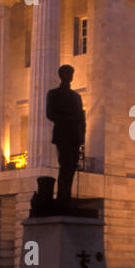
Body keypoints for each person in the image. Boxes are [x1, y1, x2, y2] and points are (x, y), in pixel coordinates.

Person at [45, 64, 85, 206]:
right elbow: (50, 114)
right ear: (61, 75)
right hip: (62, 133)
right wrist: (67, 118)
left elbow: (81, 117)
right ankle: (62, 195)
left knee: (72, 166)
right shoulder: (53, 94)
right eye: (68, 73)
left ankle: (67, 194)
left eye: (71, 74)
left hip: (74, 135)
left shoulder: (76, 96)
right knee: (64, 164)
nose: (70, 76)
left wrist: (82, 138)